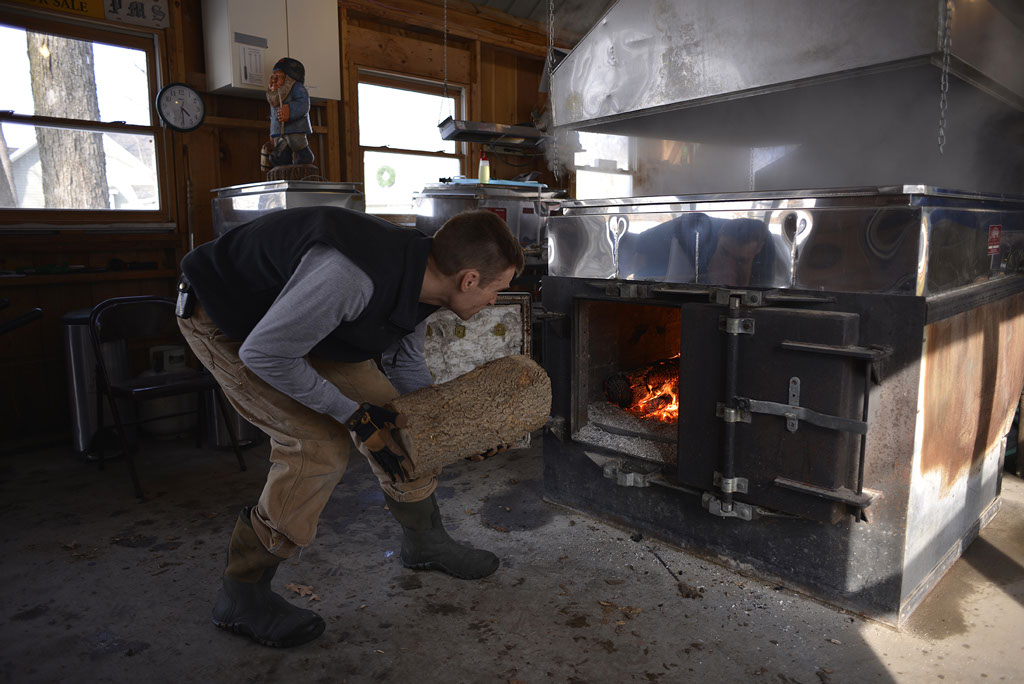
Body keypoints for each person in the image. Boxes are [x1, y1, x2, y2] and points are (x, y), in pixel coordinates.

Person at [176, 206, 524, 648]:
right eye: (499, 289)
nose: (496, 300)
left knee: (397, 418)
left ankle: (425, 540)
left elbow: (406, 362)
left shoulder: (426, 277)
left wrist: (439, 425)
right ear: (469, 279)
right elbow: (267, 354)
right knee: (316, 445)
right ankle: (242, 593)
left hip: (305, 322)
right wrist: (351, 416)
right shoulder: (350, 278)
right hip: (230, 321)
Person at [266, 57, 313, 167]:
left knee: (298, 145)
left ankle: (305, 157)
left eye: (278, 76)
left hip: (295, 130)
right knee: (279, 155)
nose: (274, 79)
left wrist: (290, 111)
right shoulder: (274, 94)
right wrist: (272, 132)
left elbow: (304, 104)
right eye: (273, 75)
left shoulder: (297, 88)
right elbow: (273, 116)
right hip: (279, 133)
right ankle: (283, 166)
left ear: (289, 77)